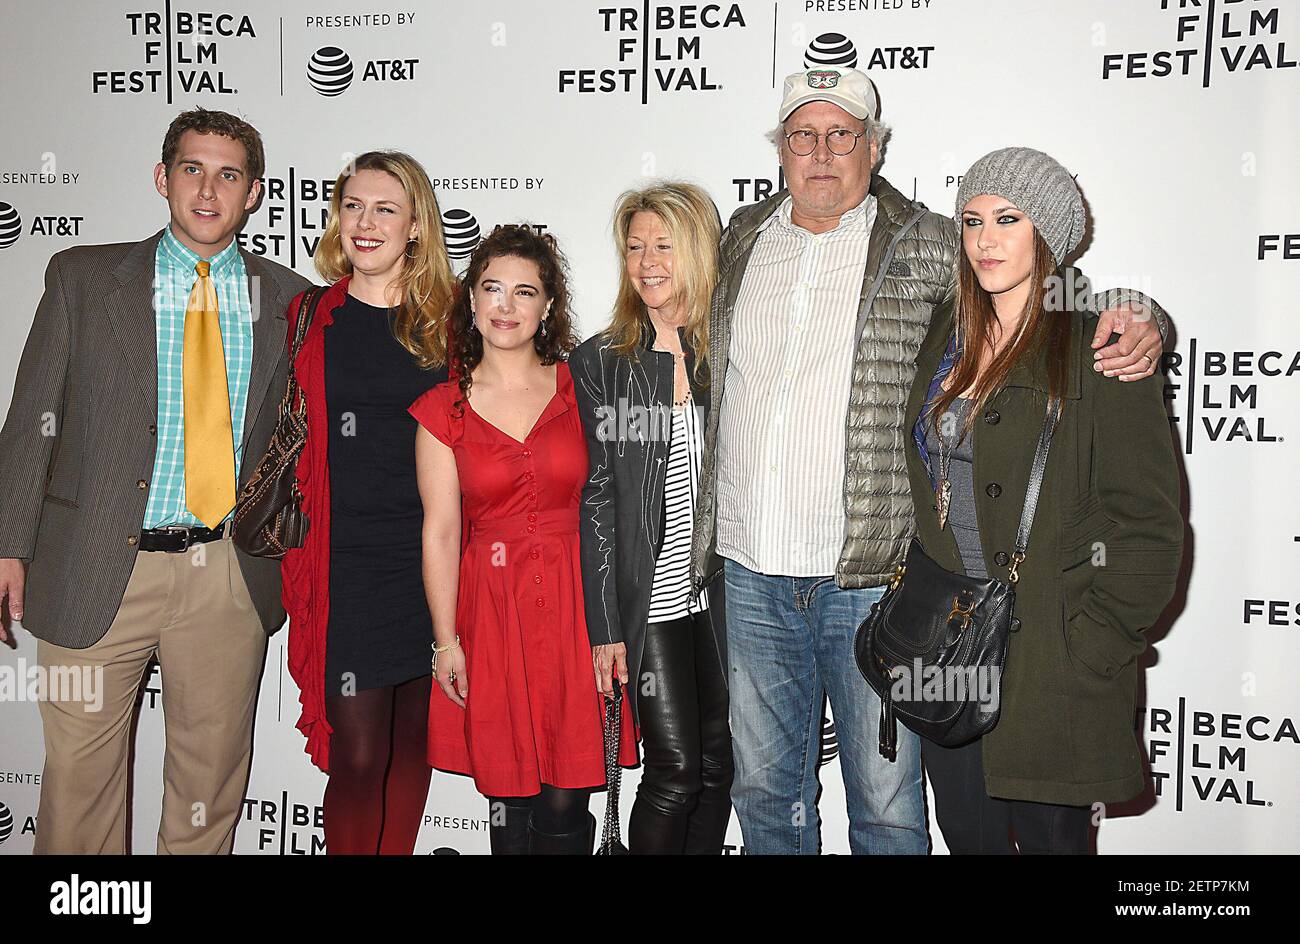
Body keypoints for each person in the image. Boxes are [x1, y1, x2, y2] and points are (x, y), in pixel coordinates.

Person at [688, 67, 1172, 854]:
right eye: (802, 135)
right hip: (751, 574)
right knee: (766, 797)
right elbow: (662, 296)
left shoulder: (924, 243)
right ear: (778, 150)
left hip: (872, 577)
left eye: (842, 134)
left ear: (873, 149)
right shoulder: (738, 240)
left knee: (887, 810)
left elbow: (1053, 289)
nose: (820, 152)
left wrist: (1146, 318)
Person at [0, 108, 311, 853]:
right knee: (79, 789)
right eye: (193, 169)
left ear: (256, 193)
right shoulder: (83, 278)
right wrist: (9, 544)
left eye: (229, 174)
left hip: (227, 576)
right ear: (162, 178)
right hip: (94, 563)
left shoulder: (295, 300)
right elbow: (30, 416)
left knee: (208, 790)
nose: (208, 189)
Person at [906, 147, 1183, 854]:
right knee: (969, 838)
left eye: (1008, 219)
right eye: (971, 221)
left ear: (1048, 233)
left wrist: (1097, 643)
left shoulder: (1101, 345)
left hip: (1052, 665)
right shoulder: (947, 333)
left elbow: (1147, 522)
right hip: (952, 653)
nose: (986, 240)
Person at [410, 225, 636, 855]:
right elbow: (441, 531)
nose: (505, 306)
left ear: (547, 308)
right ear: (472, 301)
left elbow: (617, 501)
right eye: (491, 289)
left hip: (578, 604)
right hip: (494, 610)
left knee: (567, 801)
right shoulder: (442, 408)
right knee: (509, 801)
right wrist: (447, 642)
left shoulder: (580, 387)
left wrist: (614, 621)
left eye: (524, 292)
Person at [280, 151, 456, 854]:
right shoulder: (309, 316)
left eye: (385, 208)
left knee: (411, 742)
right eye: (352, 205)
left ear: (416, 225)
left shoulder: (449, 324)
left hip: (430, 562)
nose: (365, 222)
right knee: (356, 756)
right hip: (341, 565)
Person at [570, 183, 733, 854]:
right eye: (635, 247)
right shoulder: (603, 361)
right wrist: (607, 627)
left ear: (695, 250)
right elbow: (598, 495)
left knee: (720, 770)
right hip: (654, 603)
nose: (647, 262)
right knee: (675, 772)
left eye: (663, 245)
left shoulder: (726, 347)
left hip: (726, 598)